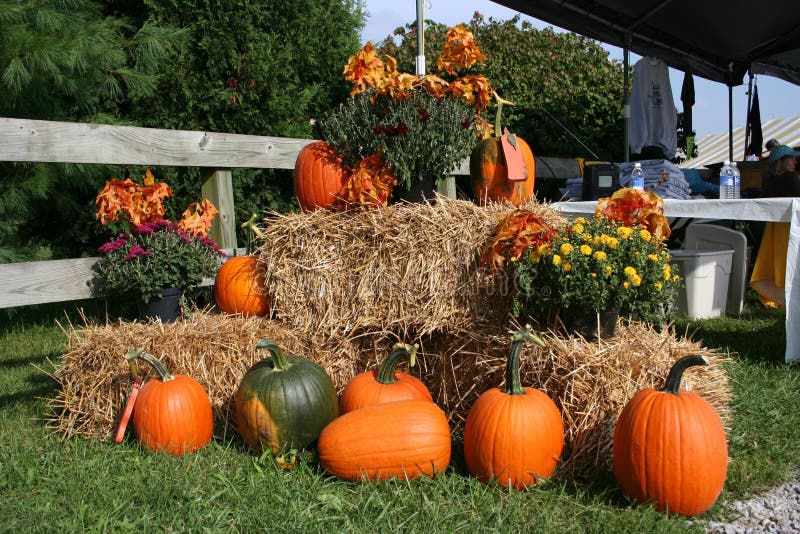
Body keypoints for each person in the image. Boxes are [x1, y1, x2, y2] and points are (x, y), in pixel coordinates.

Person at [750, 145, 800, 307]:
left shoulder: (770, 180)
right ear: (781, 162)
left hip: (769, 230)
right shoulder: (789, 178)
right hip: (782, 231)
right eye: (791, 158)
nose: (794, 161)